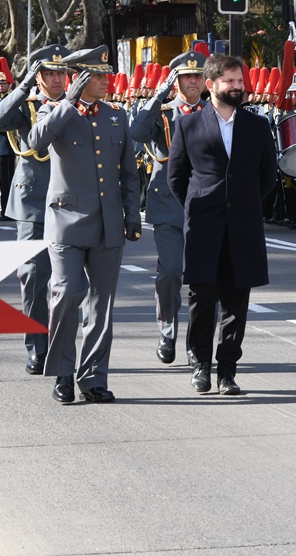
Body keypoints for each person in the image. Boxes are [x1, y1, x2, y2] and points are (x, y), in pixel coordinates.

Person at [27, 46, 142, 403]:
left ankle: (93, 377)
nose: (106, 80)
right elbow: (35, 142)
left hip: (108, 222)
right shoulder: (53, 111)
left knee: (101, 305)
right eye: (97, 75)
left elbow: (128, 172)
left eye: (106, 73)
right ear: (79, 78)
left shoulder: (115, 115)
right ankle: (62, 371)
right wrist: (68, 101)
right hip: (66, 221)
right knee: (67, 293)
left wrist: (132, 214)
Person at [167, 54, 277, 396]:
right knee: (202, 298)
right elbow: (177, 177)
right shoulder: (188, 125)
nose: (237, 87)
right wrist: (200, 206)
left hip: (243, 225)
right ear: (211, 84)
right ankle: (201, 364)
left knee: (236, 301)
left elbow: (268, 176)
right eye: (230, 81)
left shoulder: (257, 126)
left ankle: (227, 370)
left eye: (240, 81)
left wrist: (243, 204)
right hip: (204, 224)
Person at [0, 45, 70, 374]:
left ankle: (63, 347)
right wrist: (24, 87)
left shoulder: (75, 104)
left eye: (59, 73)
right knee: (34, 276)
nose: (55, 79)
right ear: (39, 76)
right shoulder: (26, 107)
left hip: (71, 201)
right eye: (48, 73)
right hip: (33, 201)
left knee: (71, 282)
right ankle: (37, 345)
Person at [129, 50, 207, 365]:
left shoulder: (216, 111)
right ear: (176, 81)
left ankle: (198, 345)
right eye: (186, 76)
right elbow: (136, 132)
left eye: (197, 76)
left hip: (205, 206)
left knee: (204, 279)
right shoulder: (163, 112)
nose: (192, 81)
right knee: (171, 271)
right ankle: (167, 329)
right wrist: (161, 92)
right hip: (168, 206)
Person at [0, 58, 17, 221]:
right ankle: (5, 209)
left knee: (7, 181)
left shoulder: (11, 99)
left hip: (7, 143)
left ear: (9, 84)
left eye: (3, 83)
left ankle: (8, 211)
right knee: (3, 182)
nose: (0, 85)